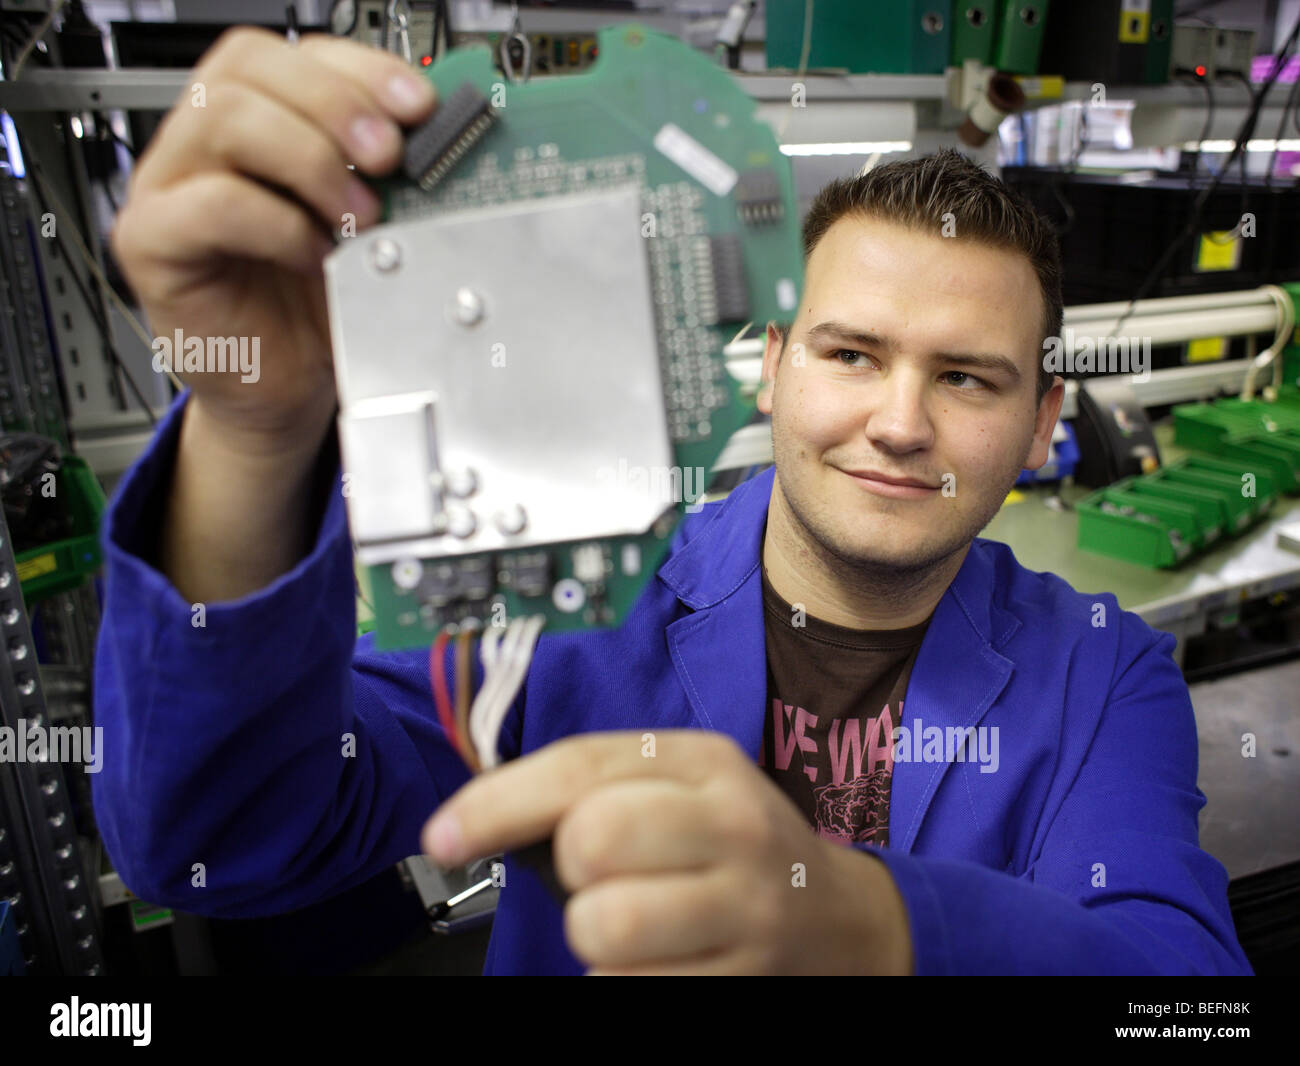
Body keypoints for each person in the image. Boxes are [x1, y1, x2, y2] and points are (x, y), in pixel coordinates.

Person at [95, 27, 1251, 975]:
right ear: (771, 359)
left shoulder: (1101, 672)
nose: (900, 422)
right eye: (851, 354)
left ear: (1047, 418)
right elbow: (210, 838)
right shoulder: (571, 609)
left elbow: (1172, 988)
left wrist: (874, 925)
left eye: (964, 377)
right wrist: (250, 430)